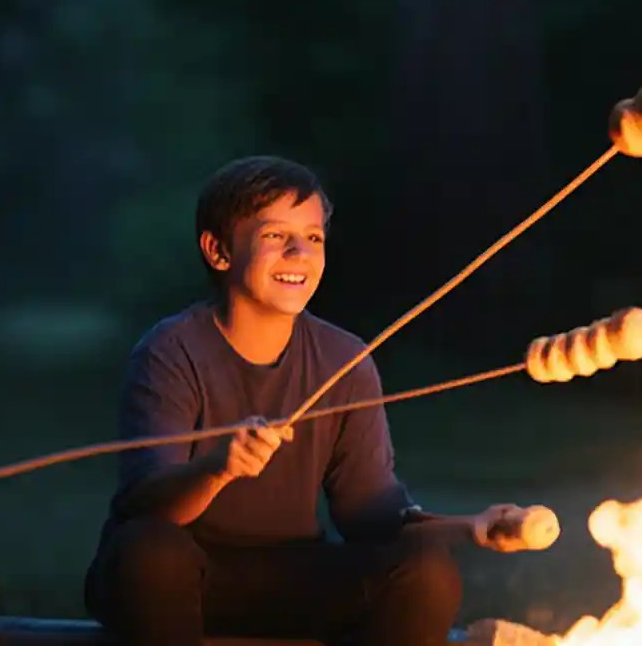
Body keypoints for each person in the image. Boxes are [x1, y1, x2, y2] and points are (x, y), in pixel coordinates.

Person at [85, 155, 540, 646]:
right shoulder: (170, 352)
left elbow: (371, 512)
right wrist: (220, 467)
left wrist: (469, 527)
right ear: (218, 251)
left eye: (314, 237)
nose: (300, 252)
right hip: (180, 573)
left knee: (426, 573)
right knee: (149, 552)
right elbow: (151, 505)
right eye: (276, 236)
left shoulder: (344, 360)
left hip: (290, 576)